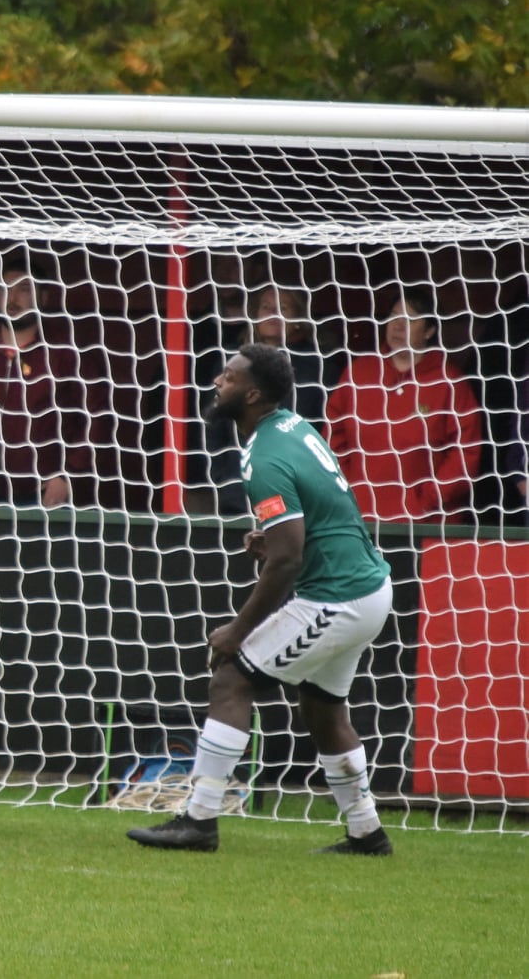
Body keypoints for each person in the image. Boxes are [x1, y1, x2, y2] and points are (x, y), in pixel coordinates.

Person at [128, 345, 395, 855]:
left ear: (251, 394)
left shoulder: (264, 456)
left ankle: (199, 821)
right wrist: (270, 540)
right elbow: (317, 513)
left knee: (230, 677)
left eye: (227, 377)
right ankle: (367, 833)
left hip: (338, 596)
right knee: (323, 710)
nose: (215, 383)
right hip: (368, 586)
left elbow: (288, 559)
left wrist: (239, 629)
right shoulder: (291, 426)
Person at [324, 287, 482, 522]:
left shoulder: (450, 382)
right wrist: (351, 493)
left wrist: (426, 500)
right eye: (395, 316)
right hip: (359, 519)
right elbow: (331, 439)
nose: (399, 325)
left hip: (428, 525)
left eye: (411, 319)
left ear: (430, 330)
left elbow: (466, 452)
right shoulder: (358, 373)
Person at [0, 262, 94, 508]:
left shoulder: (64, 355)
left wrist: (67, 476)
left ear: (43, 296)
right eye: (5, 288)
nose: (12, 297)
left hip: (40, 494)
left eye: (23, 289)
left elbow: (92, 421)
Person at [195, 285, 332, 514]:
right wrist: (222, 475)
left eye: (283, 308)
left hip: (294, 486)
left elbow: (320, 427)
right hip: (236, 489)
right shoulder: (229, 360)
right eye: (265, 307)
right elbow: (213, 423)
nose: (272, 313)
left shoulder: (318, 367)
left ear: (298, 317)